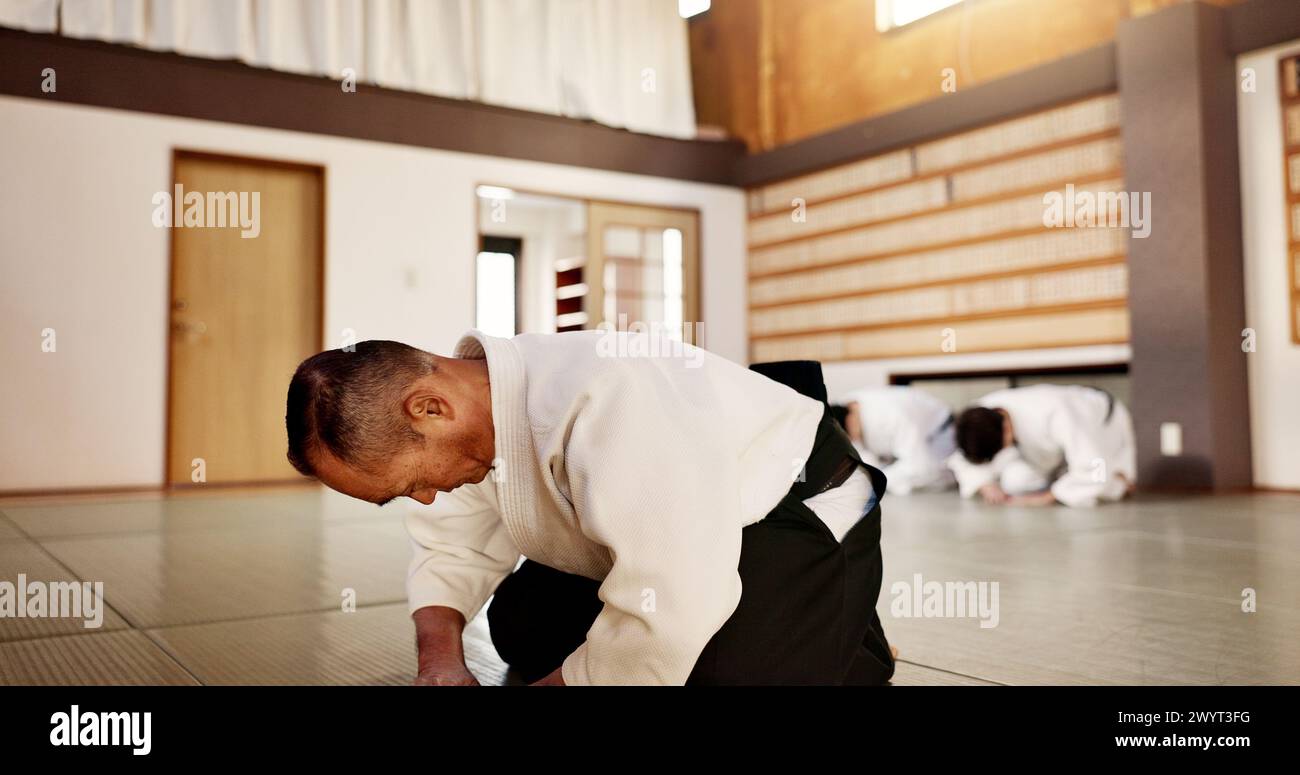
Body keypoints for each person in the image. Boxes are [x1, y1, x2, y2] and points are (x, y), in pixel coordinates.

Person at [284, 330, 895, 685]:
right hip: (678, 525)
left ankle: (846, 619)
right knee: (522, 627)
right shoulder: (469, 409)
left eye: (411, 483)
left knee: (717, 674)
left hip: (789, 502)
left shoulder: (611, 397)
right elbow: (453, 545)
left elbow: (681, 600)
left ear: (429, 408)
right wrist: (440, 660)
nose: (422, 498)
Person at [949, 384, 1136, 508]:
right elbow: (963, 457)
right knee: (1016, 480)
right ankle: (1064, 479)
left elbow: (1094, 466)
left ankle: (1070, 483)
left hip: (1102, 424)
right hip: (1048, 454)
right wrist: (985, 484)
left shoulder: (1055, 412)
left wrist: (1047, 497)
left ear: (1006, 429)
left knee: (1112, 483)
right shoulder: (977, 416)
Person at [833, 386, 956, 495]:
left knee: (926, 476)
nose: (853, 440)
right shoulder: (842, 408)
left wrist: (875, 481)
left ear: (850, 421)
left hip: (940, 435)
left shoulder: (891, 416)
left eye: (850, 437)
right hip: (905, 451)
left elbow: (918, 466)